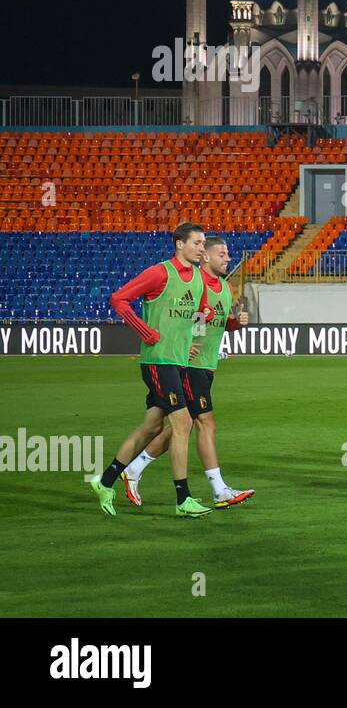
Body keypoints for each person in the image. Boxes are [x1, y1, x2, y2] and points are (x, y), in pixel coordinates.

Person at [90, 222, 214, 518]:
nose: (201, 248)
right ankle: (183, 499)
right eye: (197, 242)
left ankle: (105, 481)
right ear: (179, 244)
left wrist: (192, 339)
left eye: (203, 242)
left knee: (153, 426)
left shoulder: (198, 278)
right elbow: (118, 299)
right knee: (183, 423)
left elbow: (202, 311)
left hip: (178, 362)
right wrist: (145, 332)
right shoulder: (159, 273)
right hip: (158, 362)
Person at [121, 235, 254, 509]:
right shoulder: (197, 284)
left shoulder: (226, 288)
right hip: (190, 365)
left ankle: (133, 468)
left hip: (206, 365)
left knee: (172, 424)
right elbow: (194, 318)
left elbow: (213, 320)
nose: (228, 258)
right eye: (222, 253)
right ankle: (218, 490)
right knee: (204, 422)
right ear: (205, 256)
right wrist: (189, 342)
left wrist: (234, 324)